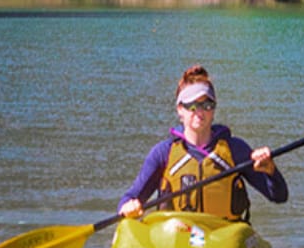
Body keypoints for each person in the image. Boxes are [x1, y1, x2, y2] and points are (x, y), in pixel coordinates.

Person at [116, 66, 287, 222]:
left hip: (224, 235)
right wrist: (128, 207)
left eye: (207, 105)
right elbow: (130, 197)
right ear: (180, 110)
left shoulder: (235, 149)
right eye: (192, 106)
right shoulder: (163, 153)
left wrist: (271, 171)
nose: (200, 112)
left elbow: (279, 196)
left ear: (214, 109)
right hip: (177, 235)